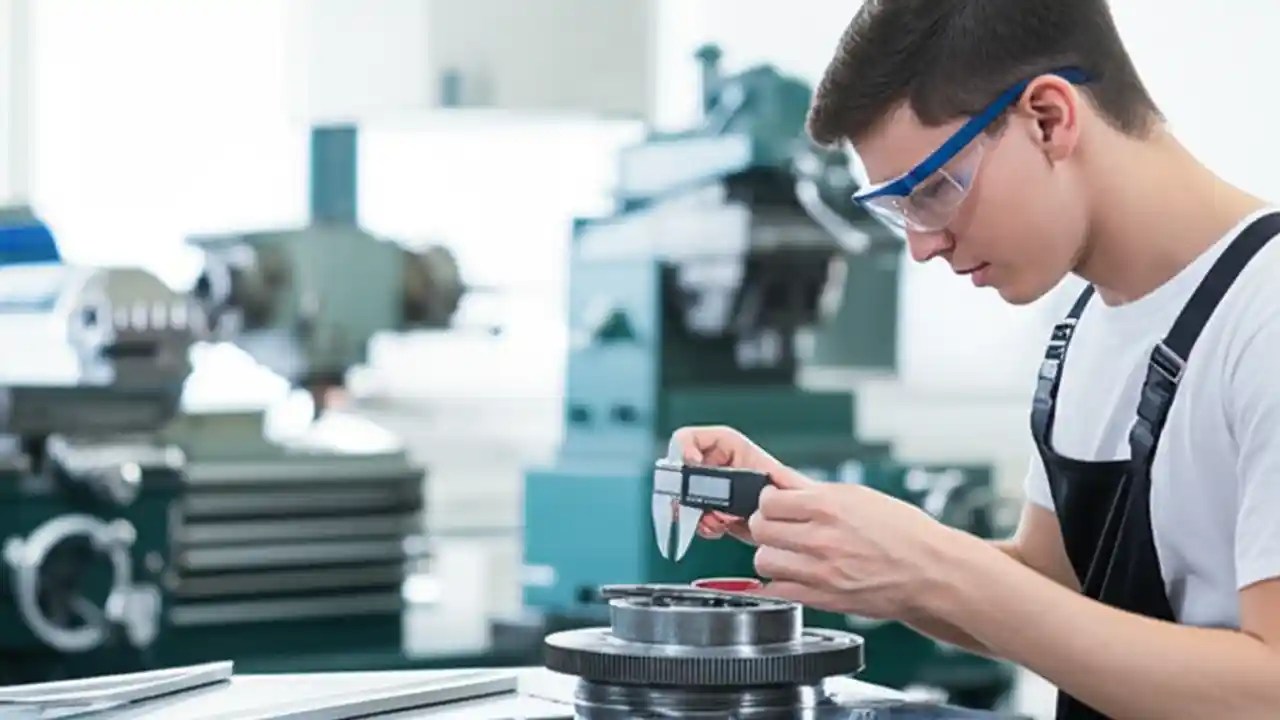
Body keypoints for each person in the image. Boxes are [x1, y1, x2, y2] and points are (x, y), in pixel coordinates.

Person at [670, 2, 1280, 719]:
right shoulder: (1082, 329)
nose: (922, 245)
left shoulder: (1263, 313)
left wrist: (933, 564)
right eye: (898, 209)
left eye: (931, 190)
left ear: (1048, 118)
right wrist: (817, 522)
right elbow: (1050, 594)